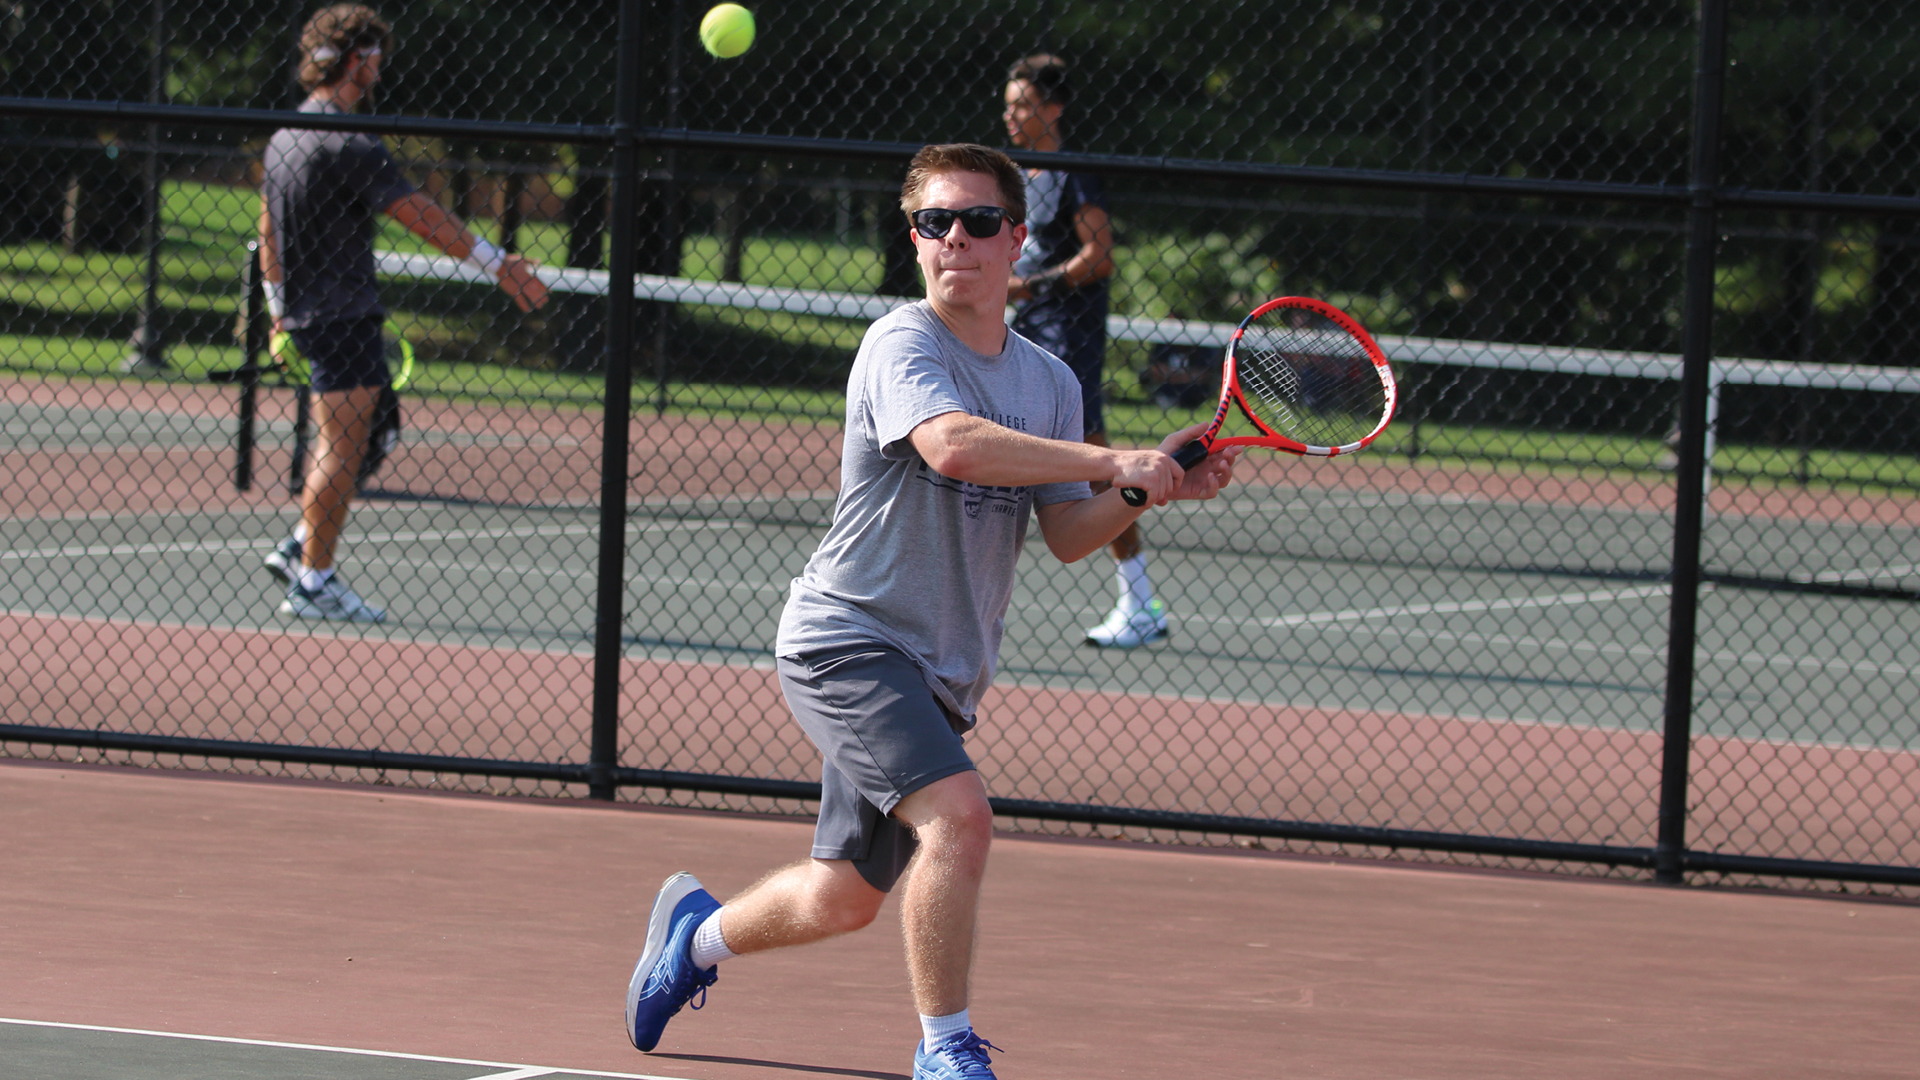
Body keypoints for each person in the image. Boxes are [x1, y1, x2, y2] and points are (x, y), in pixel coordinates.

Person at [623, 144, 1239, 1080]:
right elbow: (954, 447)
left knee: (845, 897)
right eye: (933, 223)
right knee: (960, 818)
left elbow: (1072, 535)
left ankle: (691, 943)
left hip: (941, 670)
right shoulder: (900, 343)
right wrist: (1113, 461)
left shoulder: (1051, 383)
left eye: (979, 221)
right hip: (848, 641)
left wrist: (1151, 492)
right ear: (914, 241)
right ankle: (945, 1052)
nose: (957, 238)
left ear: (1016, 240)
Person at [257, 4, 547, 621]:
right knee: (340, 447)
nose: (380, 75)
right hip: (340, 320)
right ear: (357, 60)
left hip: (320, 316)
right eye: (376, 61)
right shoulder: (350, 143)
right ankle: (313, 580)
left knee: (377, 428)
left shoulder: (284, 137)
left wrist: (278, 308)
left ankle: (304, 546)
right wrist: (500, 264)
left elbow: (267, 233)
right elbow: (420, 215)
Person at [1001, 53, 1164, 649]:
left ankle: (1140, 601)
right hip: (1023, 328)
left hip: (1070, 336)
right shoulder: (1015, 175)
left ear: (1054, 107)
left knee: (1094, 463)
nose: (1012, 115)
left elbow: (1098, 256)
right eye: (1009, 104)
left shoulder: (1075, 173)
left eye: (1024, 104)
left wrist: (1029, 286)